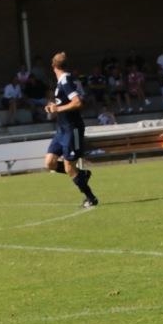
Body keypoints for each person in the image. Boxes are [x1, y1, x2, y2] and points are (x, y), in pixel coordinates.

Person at [43, 52, 100, 209]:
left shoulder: (66, 81)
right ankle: (82, 175)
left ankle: (91, 198)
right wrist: (53, 106)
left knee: (68, 167)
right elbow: (67, 101)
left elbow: (77, 103)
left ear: (53, 66)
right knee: (50, 163)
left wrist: (57, 108)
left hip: (72, 128)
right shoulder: (65, 80)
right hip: (61, 129)